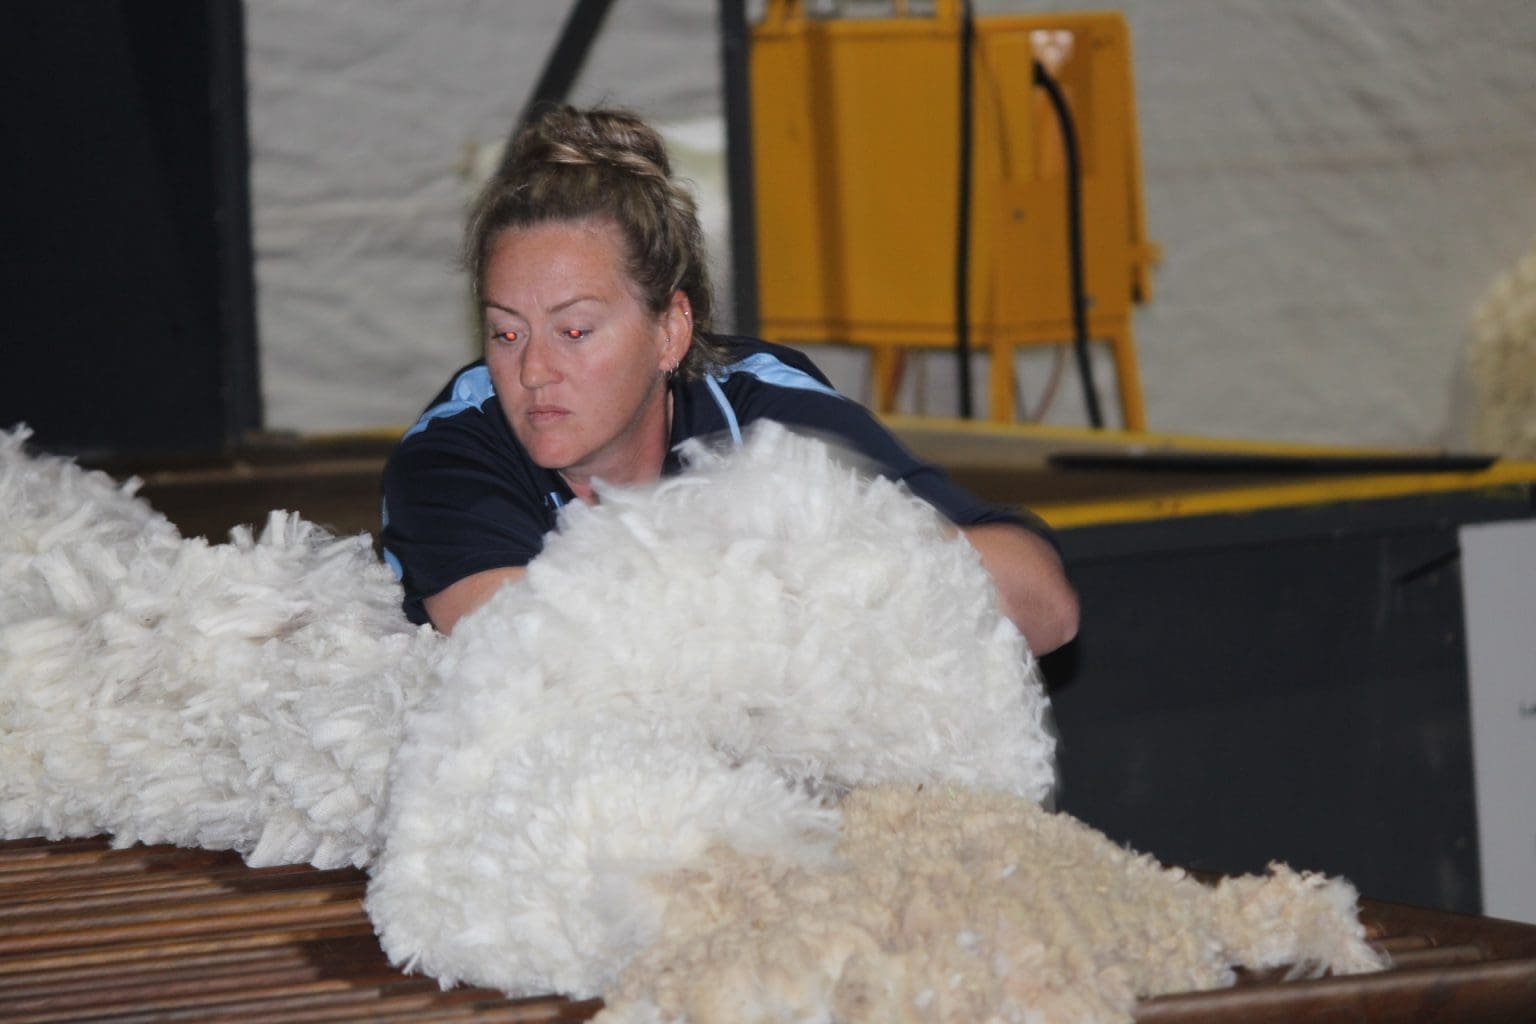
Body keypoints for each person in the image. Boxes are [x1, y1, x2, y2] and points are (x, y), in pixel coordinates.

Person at [381, 105, 1078, 652]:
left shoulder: (761, 409)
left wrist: (781, 573)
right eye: (507, 332)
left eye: (574, 331)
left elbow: (1041, 605)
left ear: (671, 330)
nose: (532, 370)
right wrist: (797, 580)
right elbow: (538, 657)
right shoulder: (451, 459)